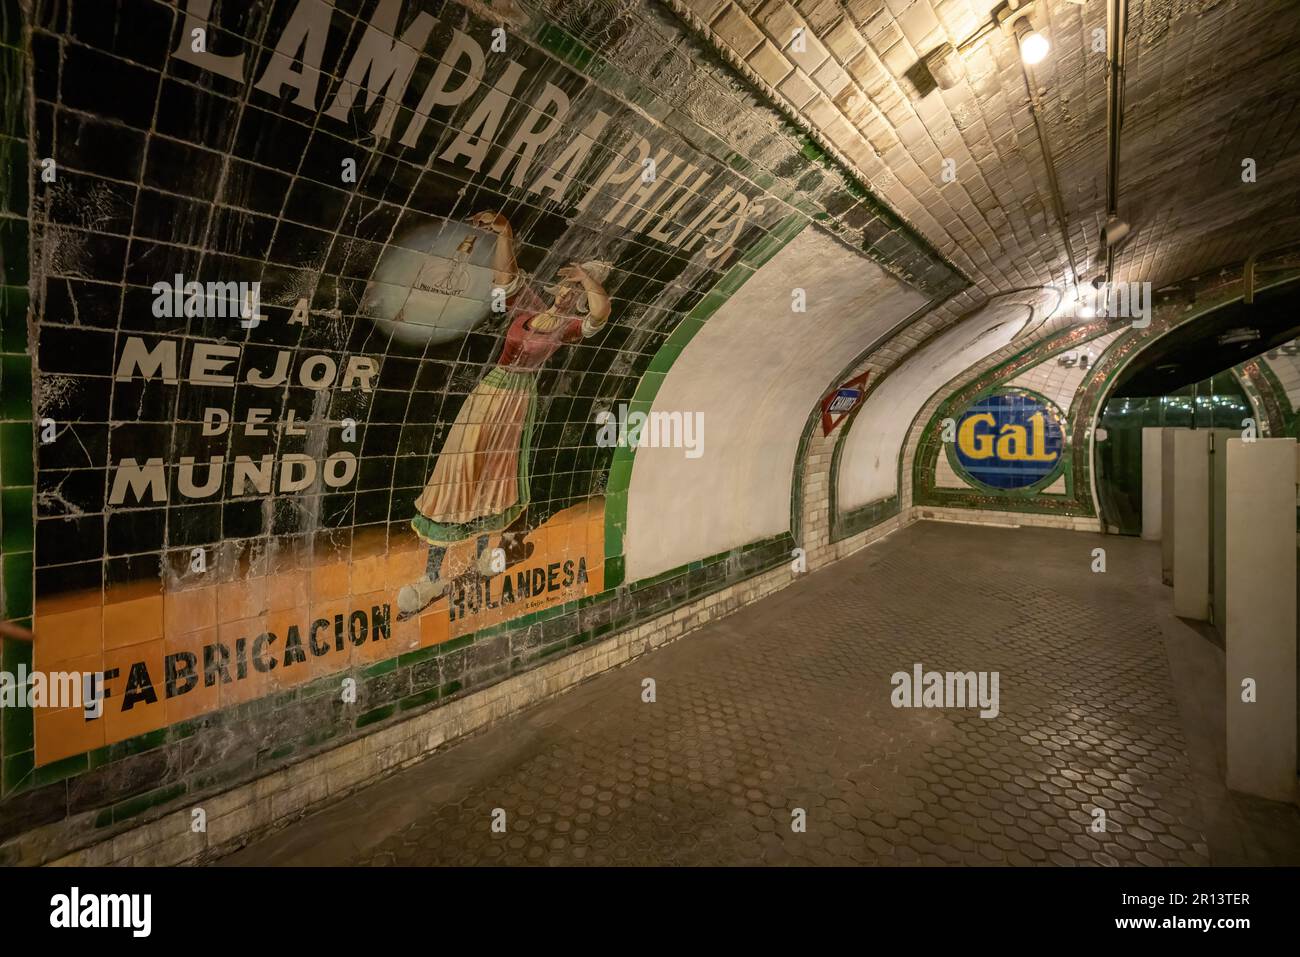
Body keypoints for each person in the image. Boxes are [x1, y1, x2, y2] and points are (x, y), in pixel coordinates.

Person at [397, 210, 613, 616]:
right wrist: (505, 233)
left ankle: (482, 556)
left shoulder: (567, 326)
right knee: (458, 471)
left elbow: (602, 312)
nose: (563, 292)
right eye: (562, 286)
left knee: (494, 477)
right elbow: (505, 277)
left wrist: (586, 277)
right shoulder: (528, 307)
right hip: (492, 392)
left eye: (572, 290)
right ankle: (431, 577)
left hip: (518, 402)